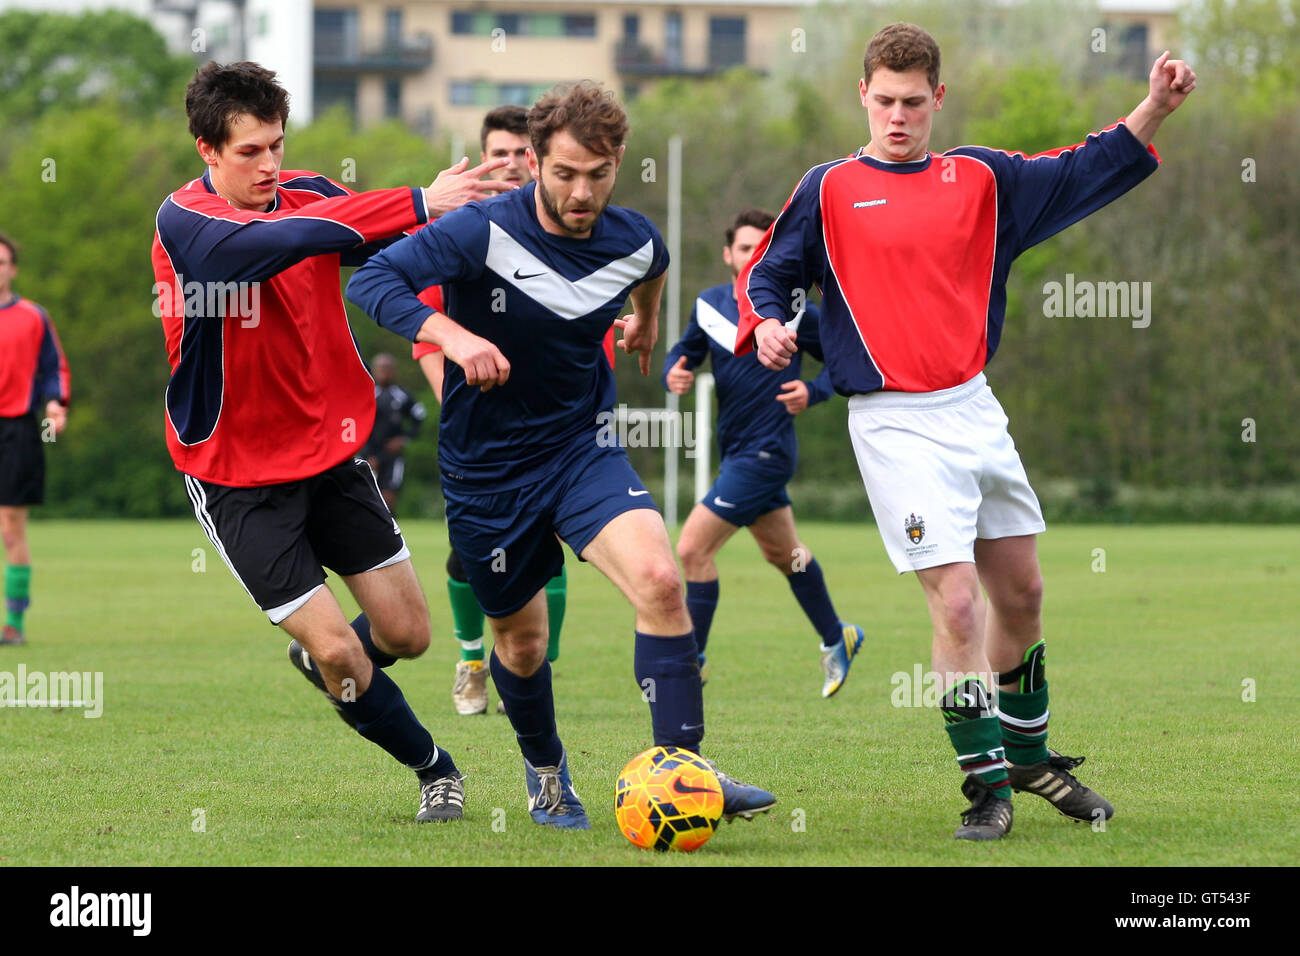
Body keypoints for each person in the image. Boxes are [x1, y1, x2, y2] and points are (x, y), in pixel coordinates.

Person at [737, 23, 1195, 840]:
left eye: (914, 102)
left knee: (1022, 593)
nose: (899, 117)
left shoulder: (982, 179)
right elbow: (766, 272)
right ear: (863, 97)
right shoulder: (830, 187)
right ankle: (986, 788)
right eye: (884, 102)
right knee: (955, 605)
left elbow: (1082, 165)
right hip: (892, 422)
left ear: (938, 99)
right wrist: (769, 322)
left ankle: (1029, 756)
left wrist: (1154, 108)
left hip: (974, 407)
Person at [348, 81, 776, 830]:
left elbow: (652, 268)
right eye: (566, 173)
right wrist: (453, 335)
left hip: (581, 449)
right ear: (538, 161)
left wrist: (644, 325)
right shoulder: (480, 230)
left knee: (660, 580)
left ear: (618, 166)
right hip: (487, 473)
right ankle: (546, 772)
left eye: (600, 174)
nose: (582, 193)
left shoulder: (634, 237)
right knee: (520, 644)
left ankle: (687, 773)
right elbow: (374, 279)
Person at [152, 60, 515, 822]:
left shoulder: (309, 194)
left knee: (408, 634)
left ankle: (326, 660)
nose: (269, 165)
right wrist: (417, 199)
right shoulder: (187, 225)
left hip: (326, 453)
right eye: (249, 151)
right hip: (236, 475)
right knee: (343, 655)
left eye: (276, 145)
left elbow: (381, 239)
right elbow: (271, 245)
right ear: (207, 152)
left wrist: (471, 214)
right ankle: (434, 769)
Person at [411, 105, 572, 716]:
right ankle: (473, 661)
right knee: (469, 554)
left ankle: (532, 668)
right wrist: (455, 400)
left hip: (556, 430)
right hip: (478, 432)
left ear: (538, 158)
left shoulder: (568, 224)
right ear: (482, 156)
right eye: (496, 152)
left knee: (549, 549)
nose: (507, 163)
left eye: (519, 152)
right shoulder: (458, 229)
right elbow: (425, 329)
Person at [663, 208, 862, 696]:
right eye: (745, 247)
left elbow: (844, 366)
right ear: (729, 255)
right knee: (785, 555)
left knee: (691, 548)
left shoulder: (795, 309)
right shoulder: (709, 305)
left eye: (762, 247)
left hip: (767, 453)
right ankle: (838, 637)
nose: (753, 255)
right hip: (736, 453)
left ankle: (690, 664)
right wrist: (676, 371)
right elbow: (682, 353)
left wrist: (810, 393)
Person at [0, 232, 69, 646]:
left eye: (2, 262)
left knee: (12, 529)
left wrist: (55, 405)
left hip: (17, 430)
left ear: (13, 269)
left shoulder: (33, 316)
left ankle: (15, 625)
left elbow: (53, 369)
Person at [361, 352, 426, 513]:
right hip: (368, 453)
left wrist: (404, 439)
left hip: (392, 456)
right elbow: (357, 424)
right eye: (381, 369)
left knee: (389, 494)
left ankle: (390, 529)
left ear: (394, 371)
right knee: (364, 493)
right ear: (374, 370)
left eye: (388, 369)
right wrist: (366, 453)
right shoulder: (366, 394)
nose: (385, 372)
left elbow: (419, 419)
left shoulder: (403, 396)